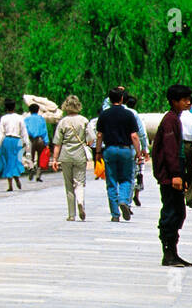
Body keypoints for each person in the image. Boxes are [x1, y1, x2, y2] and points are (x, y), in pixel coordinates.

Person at [152, 85, 192, 267]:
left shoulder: (175, 119)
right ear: (174, 101)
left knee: (178, 212)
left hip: (175, 175)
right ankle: (168, 253)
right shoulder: (170, 120)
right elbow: (170, 150)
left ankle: (173, 252)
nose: (188, 102)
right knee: (171, 212)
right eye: (184, 99)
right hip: (170, 177)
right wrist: (176, 175)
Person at [95, 86, 140, 222]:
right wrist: (138, 152)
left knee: (112, 181)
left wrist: (98, 152)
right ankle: (123, 200)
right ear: (122, 99)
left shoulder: (104, 114)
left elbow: (99, 135)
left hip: (109, 149)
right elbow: (134, 136)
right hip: (126, 149)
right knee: (127, 178)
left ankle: (115, 214)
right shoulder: (129, 114)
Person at [50, 94, 90, 221]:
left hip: (66, 155)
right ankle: (80, 201)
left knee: (68, 185)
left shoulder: (63, 122)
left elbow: (57, 143)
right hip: (80, 155)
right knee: (79, 183)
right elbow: (91, 139)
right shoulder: (84, 120)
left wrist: (54, 160)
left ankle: (71, 214)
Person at [0, 97, 27, 190]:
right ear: (14, 107)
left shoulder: (4, 118)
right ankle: (16, 178)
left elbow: (0, 132)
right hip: (17, 140)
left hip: (7, 140)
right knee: (15, 160)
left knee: (8, 161)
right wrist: (26, 143)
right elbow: (24, 131)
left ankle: (10, 184)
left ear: (6, 108)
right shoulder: (20, 118)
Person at [122, 91, 149, 207]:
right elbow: (141, 133)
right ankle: (128, 200)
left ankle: (120, 198)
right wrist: (144, 149)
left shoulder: (113, 111)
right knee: (133, 174)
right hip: (131, 147)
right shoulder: (134, 114)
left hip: (116, 145)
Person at [23, 104, 49, 182]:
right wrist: (46, 142)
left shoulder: (26, 120)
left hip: (30, 139)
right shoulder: (41, 119)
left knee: (30, 156)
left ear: (30, 111)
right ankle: (38, 175)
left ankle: (31, 168)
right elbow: (45, 131)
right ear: (38, 110)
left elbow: (24, 131)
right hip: (40, 139)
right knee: (40, 157)